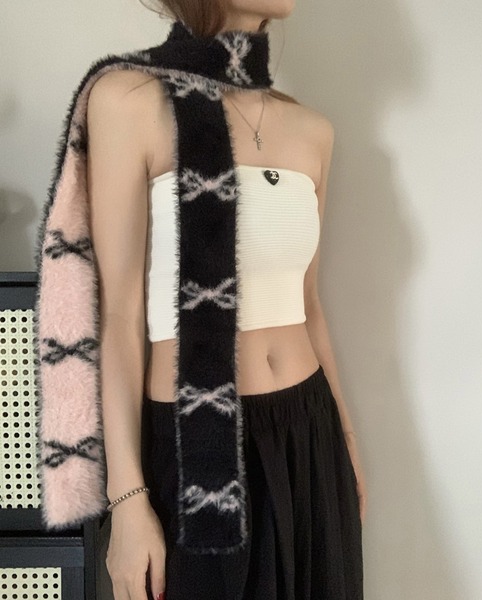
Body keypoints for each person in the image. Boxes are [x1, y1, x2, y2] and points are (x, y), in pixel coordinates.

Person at [86, 1, 367, 599]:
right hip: (196, 445)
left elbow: (308, 303)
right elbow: (118, 316)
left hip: (307, 437)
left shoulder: (312, 130)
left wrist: (345, 445)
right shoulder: (128, 100)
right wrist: (127, 499)